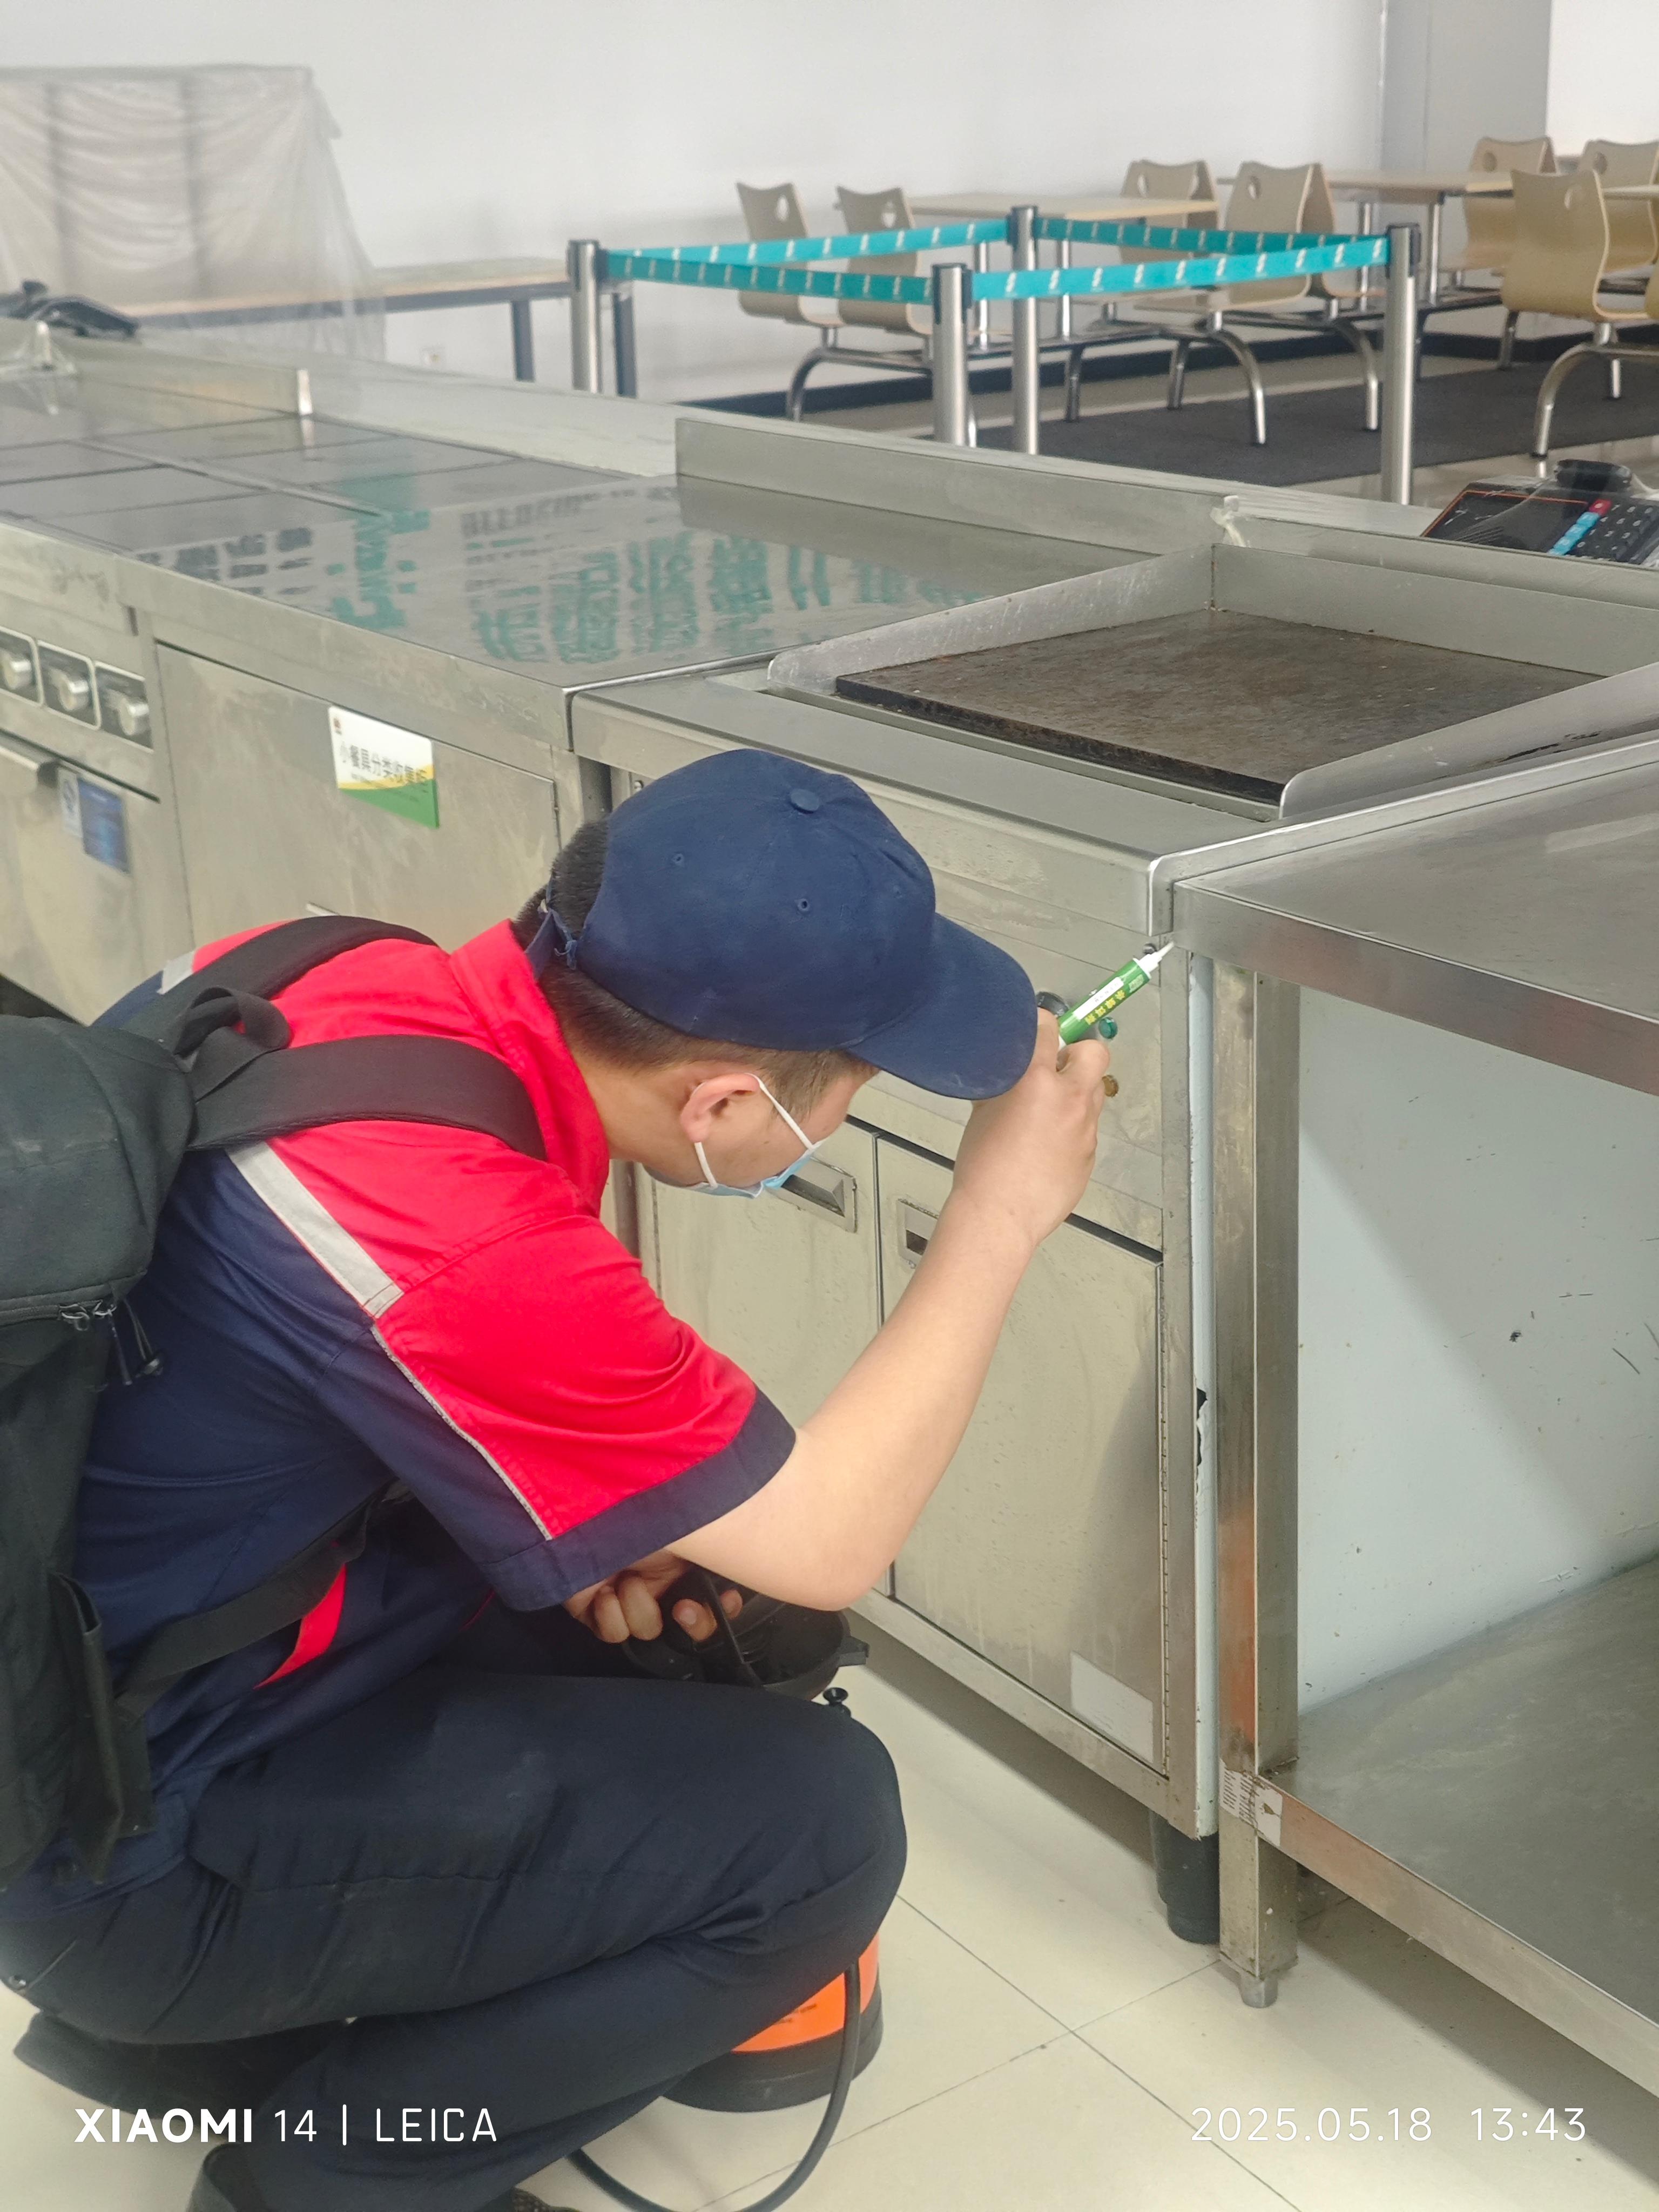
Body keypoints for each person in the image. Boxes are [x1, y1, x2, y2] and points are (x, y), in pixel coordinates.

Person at [0, 748, 1111, 2212]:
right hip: (121, 1841)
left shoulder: (339, 970)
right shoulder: (469, 1239)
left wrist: (588, 1522)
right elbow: (839, 1535)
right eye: (852, 1088)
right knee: (821, 1836)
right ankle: (319, 2182)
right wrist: (999, 1214)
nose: (845, 1114)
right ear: (724, 1106)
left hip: (115, 1664)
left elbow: (289, 1373)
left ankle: (265, 2038)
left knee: (713, 1608)